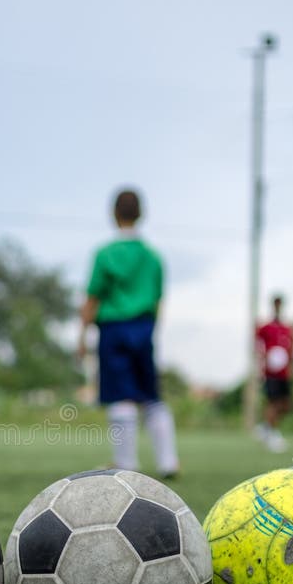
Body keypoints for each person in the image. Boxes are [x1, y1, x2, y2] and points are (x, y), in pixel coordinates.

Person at [78, 188, 178, 477]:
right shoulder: (153, 256)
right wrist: (149, 331)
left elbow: (92, 298)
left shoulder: (104, 254)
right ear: (141, 213)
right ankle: (168, 461)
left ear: (113, 213)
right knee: (150, 394)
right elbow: (159, 300)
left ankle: (127, 463)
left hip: (113, 329)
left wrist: (82, 336)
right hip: (143, 328)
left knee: (120, 396)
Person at [255, 294, 293, 452]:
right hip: (271, 372)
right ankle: (272, 434)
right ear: (273, 305)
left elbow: (291, 349)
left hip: (284, 373)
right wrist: (261, 363)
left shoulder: (287, 328)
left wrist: (291, 367)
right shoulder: (265, 328)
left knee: (286, 405)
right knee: (273, 403)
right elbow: (258, 347)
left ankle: (265, 427)